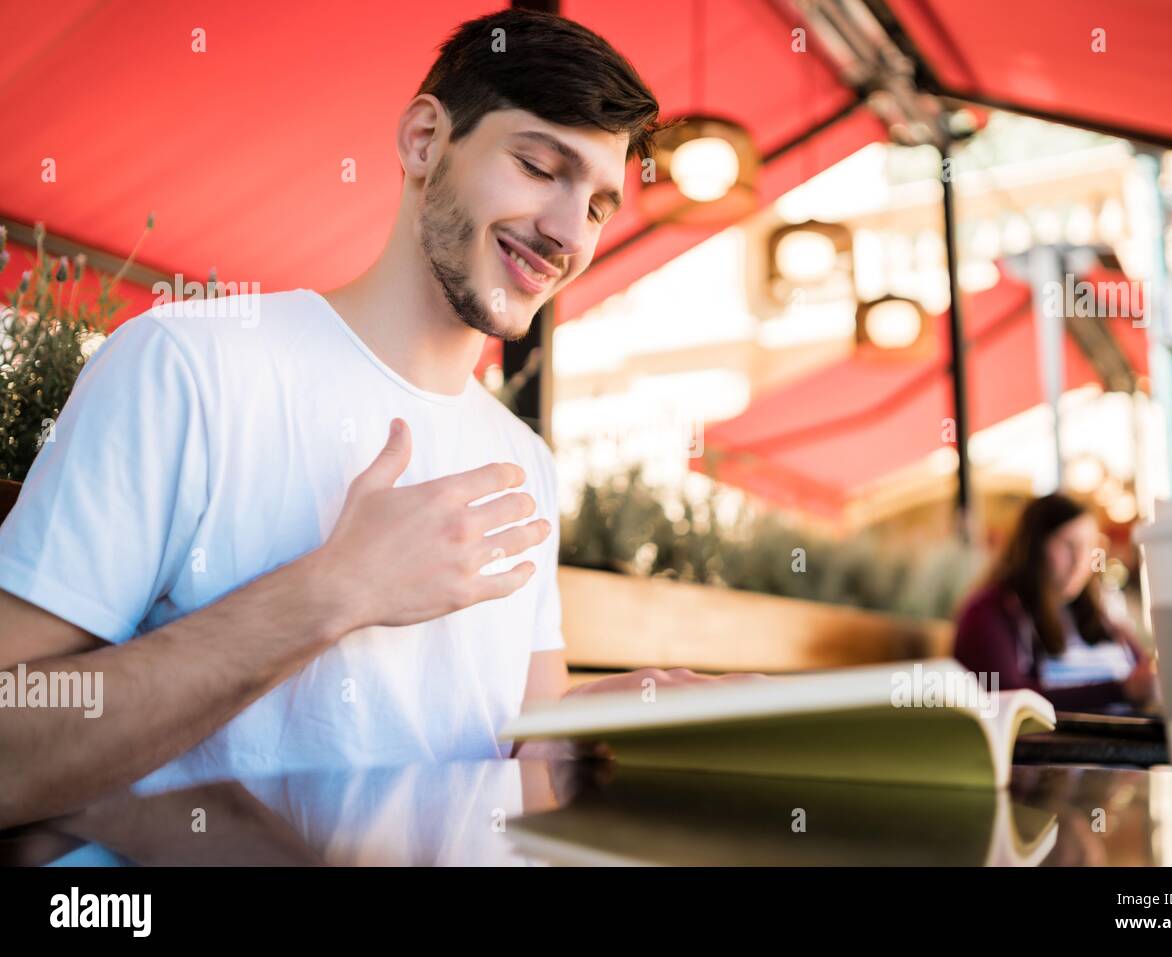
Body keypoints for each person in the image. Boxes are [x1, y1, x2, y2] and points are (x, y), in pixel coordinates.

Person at [0, 9, 757, 826]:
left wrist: (590, 723)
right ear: (425, 140)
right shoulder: (188, 364)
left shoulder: (523, 459)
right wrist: (337, 589)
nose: (568, 232)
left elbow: (519, 775)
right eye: (540, 166)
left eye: (602, 207)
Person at [952, 494, 1156, 712]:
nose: (1079, 559)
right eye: (1069, 545)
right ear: (1033, 548)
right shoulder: (988, 612)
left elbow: (1142, 672)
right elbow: (1005, 698)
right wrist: (1119, 690)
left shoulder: (1098, 611)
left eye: (1089, 547)